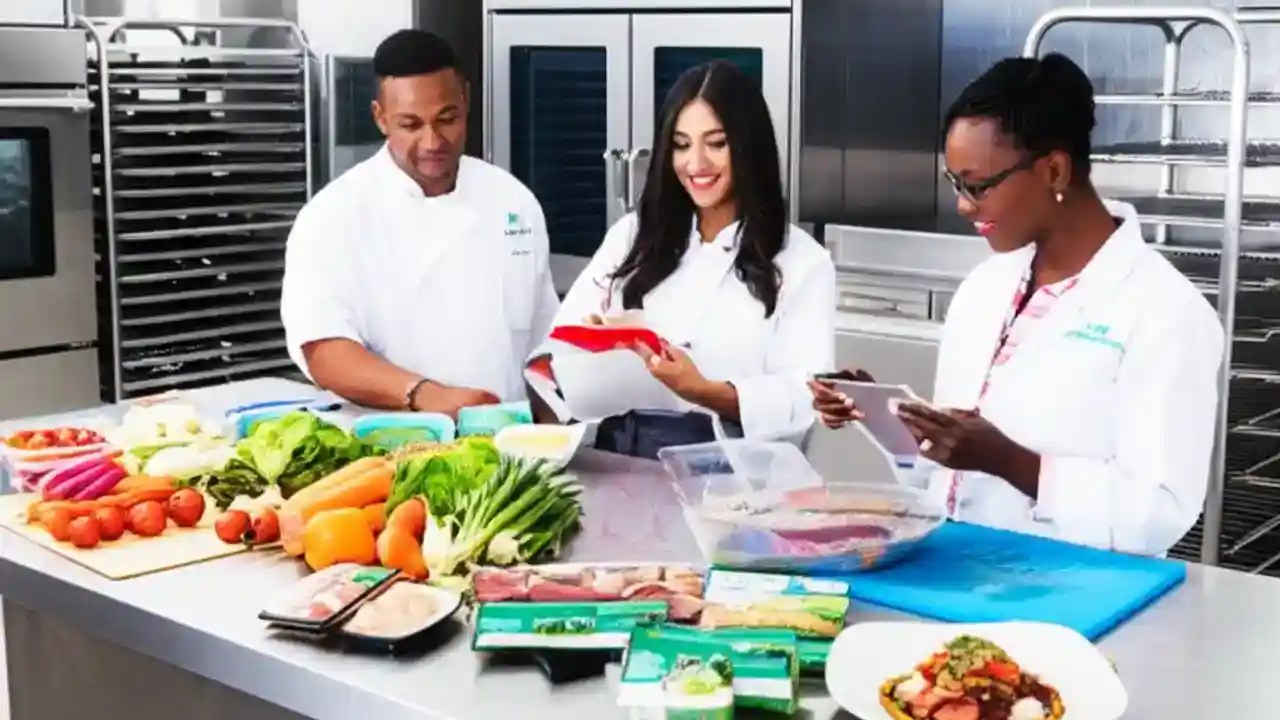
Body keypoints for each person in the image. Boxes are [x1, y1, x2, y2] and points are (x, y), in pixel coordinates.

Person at [811, 53, 1223, 556]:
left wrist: (1010, 461)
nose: (964, 204)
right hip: (958, 564)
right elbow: (949, 473)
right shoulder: (987, 285)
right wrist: (889, 413)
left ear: (1053, 170)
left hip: (1075, 590)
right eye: (955, 183)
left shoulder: (1165, 312)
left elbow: (1158, 515)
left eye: (978, 185)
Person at [534, 60, 835, 458]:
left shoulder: (801, 261)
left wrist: (702, 390)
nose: (696, 164)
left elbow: (803, 394)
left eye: (716, 143)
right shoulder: (632, 236)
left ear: (748, 147)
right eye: (681, 144)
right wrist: (599, 342)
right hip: (615, 459)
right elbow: (555, 351)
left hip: (735, 471)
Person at [281, 29, 558, 417]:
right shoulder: (334, 215)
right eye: (410, 125)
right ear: (380, 118)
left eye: (447, 119)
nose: (432, 142)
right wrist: (425, 394)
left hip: (507, 448)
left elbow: (544, 347)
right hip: (392, 448)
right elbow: (324, 350)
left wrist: (554, 436)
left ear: (466, 100)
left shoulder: (511, 199)